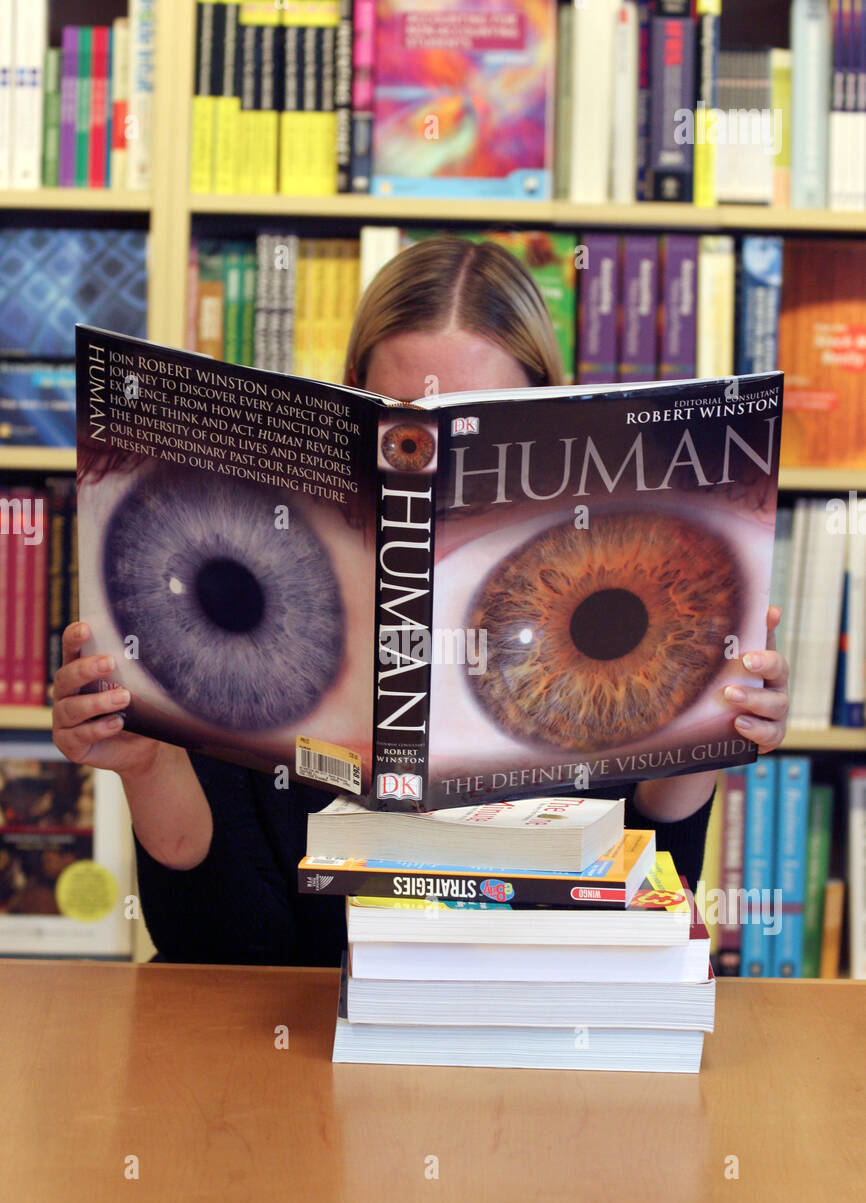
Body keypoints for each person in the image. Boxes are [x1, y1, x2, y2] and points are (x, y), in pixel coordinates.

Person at [52, 236, 790, 964]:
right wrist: (147, 766)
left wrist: (715, 720)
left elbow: (641, 915)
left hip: (528, 1040)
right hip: (300, 1051)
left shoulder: (632, 580)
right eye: (406, 422)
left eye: (477, 422)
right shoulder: (251, 561)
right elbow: (218, 953)